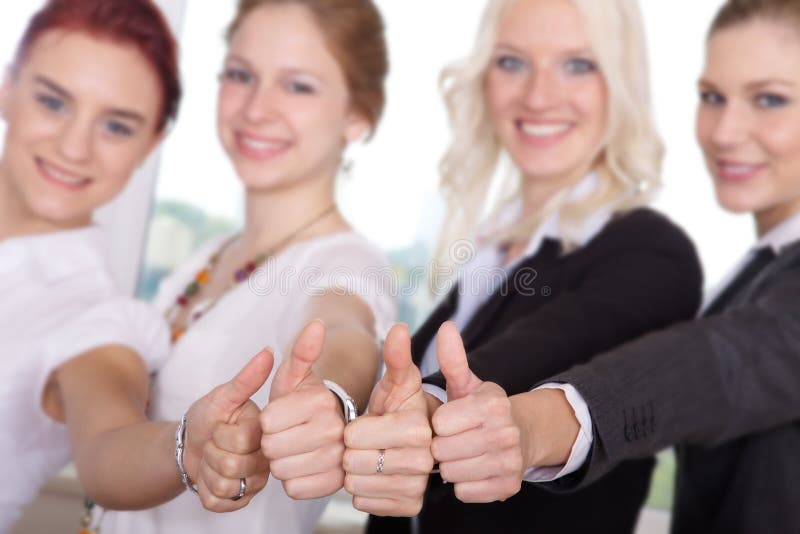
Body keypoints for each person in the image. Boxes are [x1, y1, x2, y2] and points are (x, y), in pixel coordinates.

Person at [344, 0, 703, 532]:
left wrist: (427, 405)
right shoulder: (492, 250)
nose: (538, 96)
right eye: (512, 62)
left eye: (577, 64)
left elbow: (537, 353)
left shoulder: (652, 254)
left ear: (620, 82)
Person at [458, 0, 800, 532]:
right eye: (713, 97)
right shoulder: (760, 272)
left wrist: (536, 424)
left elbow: (722, 364)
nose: (726, 131)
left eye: (771, 99)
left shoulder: (657, 256)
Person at [102, 0, 395, 533]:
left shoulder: (346, 261)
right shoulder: (208, 257)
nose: (256, 109)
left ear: (358, 114)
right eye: (241, 75)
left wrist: (328, 396)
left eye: (298, 85)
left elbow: (342, 330)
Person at [0, 1, 273, 532]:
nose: (74, 147)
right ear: (7, 86)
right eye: (54, 102)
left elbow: (109, 443)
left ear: (152, 142)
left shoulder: (98, 320)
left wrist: (184, 447)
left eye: (117, 127)